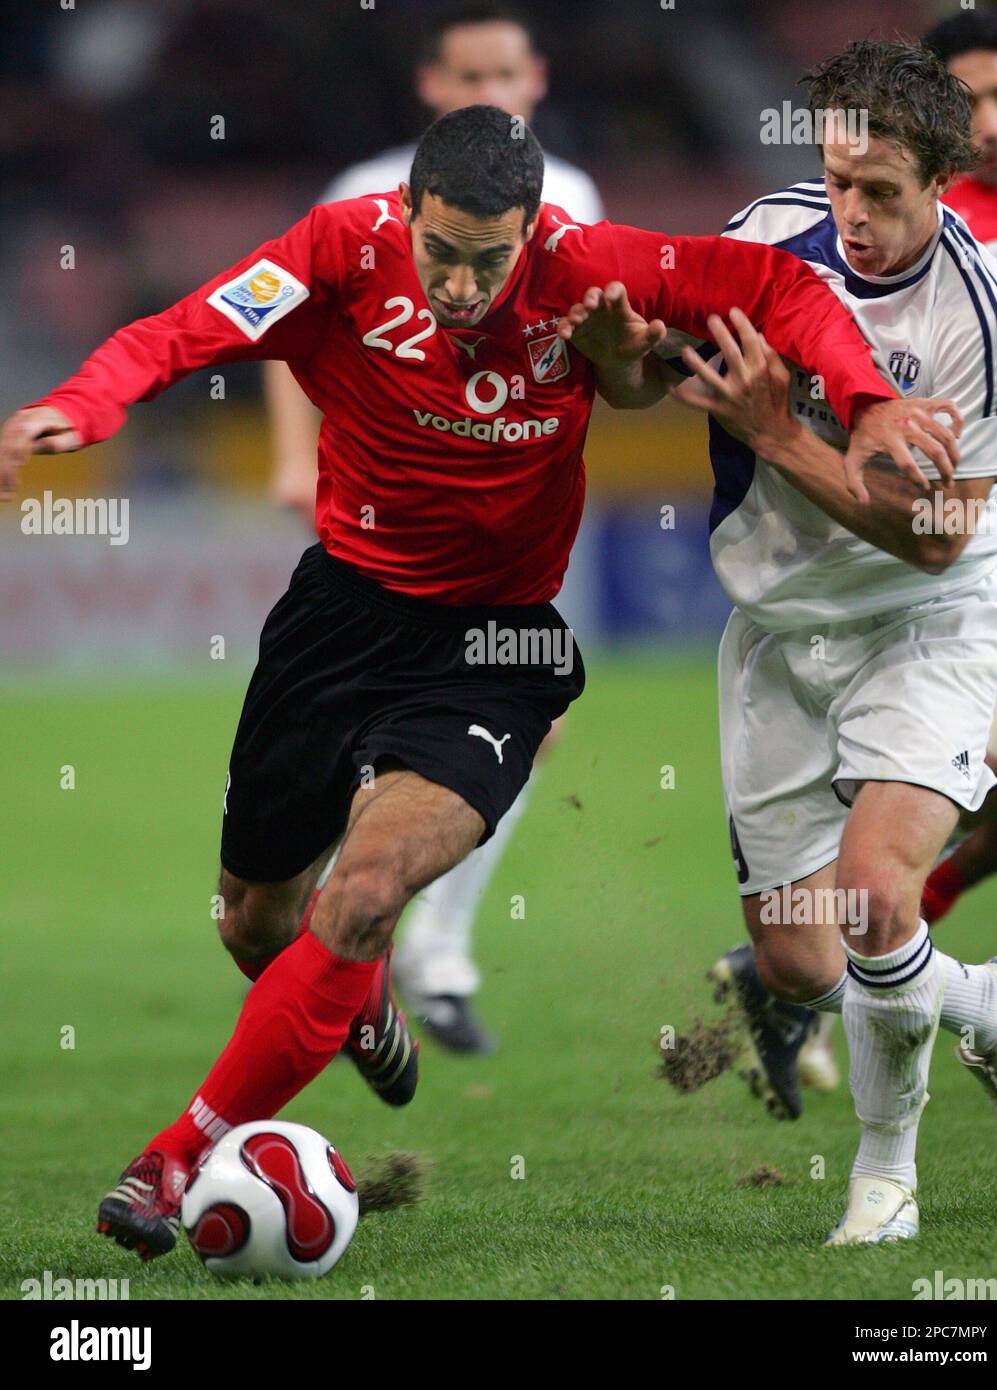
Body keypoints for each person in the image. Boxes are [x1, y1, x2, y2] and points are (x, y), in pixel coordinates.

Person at [1, 103, 945, 1262]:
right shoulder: (333, 252)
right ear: (403, 215)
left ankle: (172, 1158)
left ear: (532, 230)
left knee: (360, 895)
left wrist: (864, 399)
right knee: (257, 925)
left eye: (488, 259)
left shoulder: (584, 266)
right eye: (438, 251)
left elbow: (776, 289)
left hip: (495, 655)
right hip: (337, 623)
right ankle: (358, 995)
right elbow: (180, 333)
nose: (459, 284)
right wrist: (74, 407)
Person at [559, 40, 997, 1244]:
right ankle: (992, 1008)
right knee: (792, 958)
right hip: (775, 634)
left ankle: (883, 1180)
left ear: (941, 176)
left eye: (879, 190)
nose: (852, 215)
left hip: (923, 623)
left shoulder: (985, 320)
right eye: (836, 184)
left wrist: (778, 435)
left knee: (878, 899)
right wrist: (619, 349)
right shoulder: (764, 240)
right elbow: (643, 380)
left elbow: (934, 541)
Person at [265, 2, 604, 1053]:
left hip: (513, 517)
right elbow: (286, 324)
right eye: (469, 77)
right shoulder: (361, 193)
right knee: (366, 723)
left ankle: (434, 948)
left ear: (536, 77)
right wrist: (289, 455)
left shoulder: (575, 196)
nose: (488, 95)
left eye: (504, 74)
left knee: (529, 727)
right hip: (386, 503)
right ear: (431, 87)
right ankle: (338, 924)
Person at [919, 11, 997, 927]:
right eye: (967, 109)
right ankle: (820, 958)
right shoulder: (937, 236)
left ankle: (825, 961)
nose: (992, 125)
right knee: (983, 780)